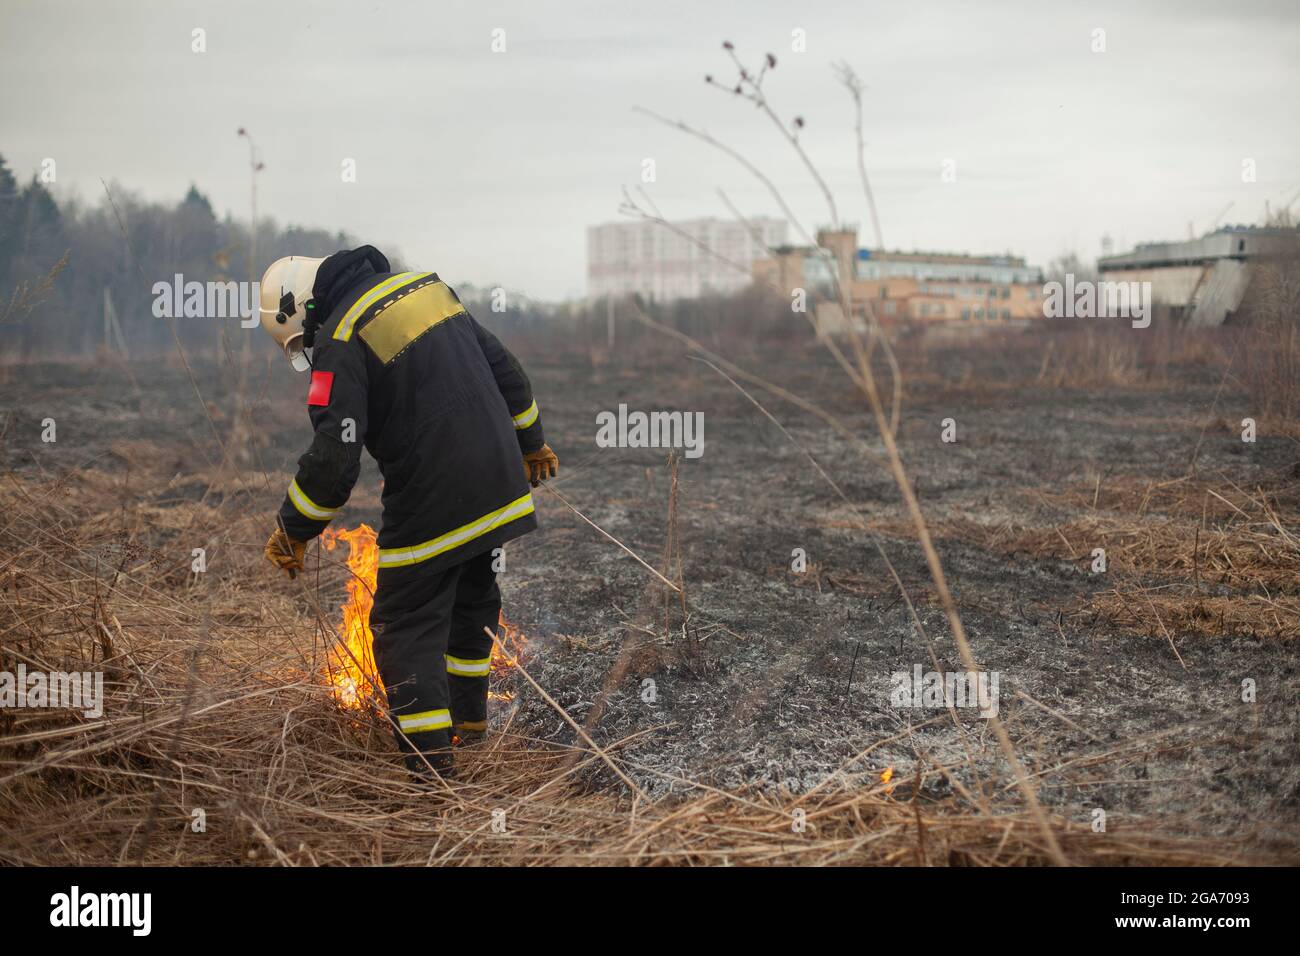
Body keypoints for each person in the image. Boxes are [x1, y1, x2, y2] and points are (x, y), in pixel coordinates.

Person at [258, 246, 557, 778]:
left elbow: (334, 456)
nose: (310, 352)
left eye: (303, 342)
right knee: (471, 599)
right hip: (499, 481)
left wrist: (293, 529)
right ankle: (468, 728)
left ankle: (430, 770)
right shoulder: (428, 291)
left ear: (301, 307)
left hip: (434, 490)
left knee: (404, 623)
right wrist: (531, 442)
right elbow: (507, 371)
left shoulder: (341, 338)